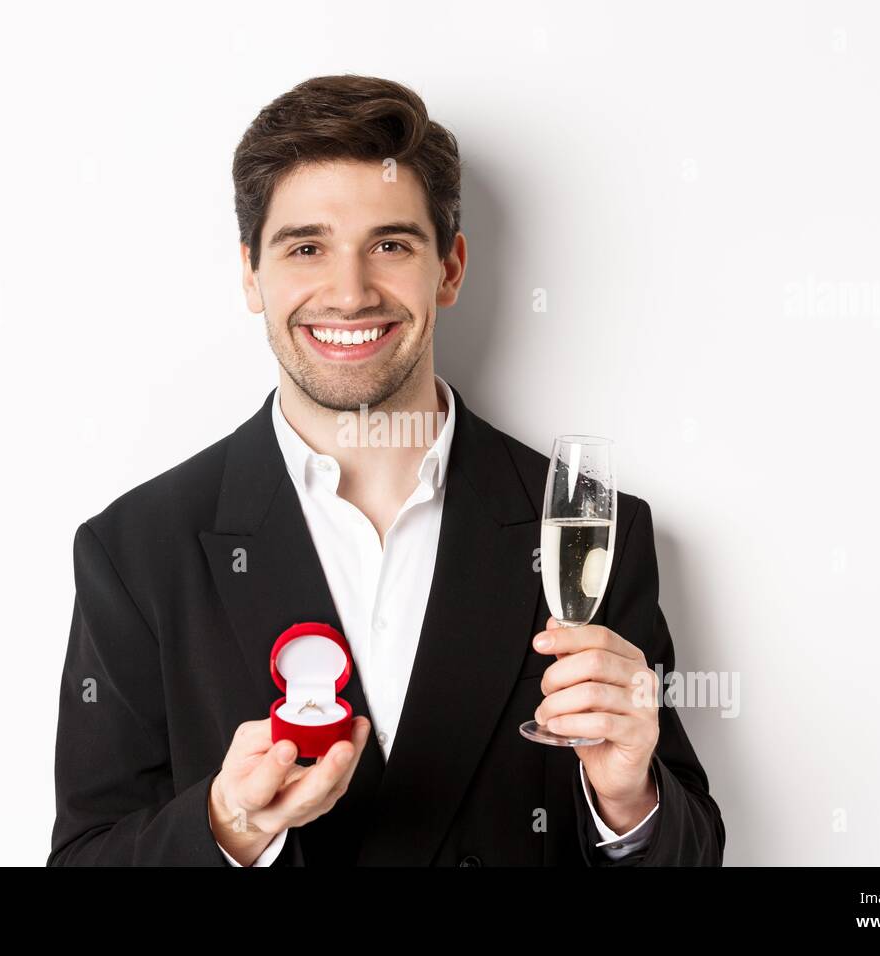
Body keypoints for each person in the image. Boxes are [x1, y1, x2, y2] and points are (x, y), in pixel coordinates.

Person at [48, 74, 724, 866]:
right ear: (249, 274)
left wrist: (627, 801)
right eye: (306, 247)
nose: (349, 292)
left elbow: (692, 852)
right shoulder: (135, 551)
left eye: (391, 245)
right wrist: (228, 826)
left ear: (450, 268)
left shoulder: (589, 526)